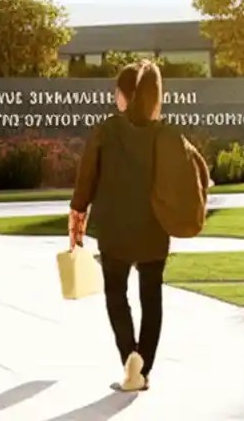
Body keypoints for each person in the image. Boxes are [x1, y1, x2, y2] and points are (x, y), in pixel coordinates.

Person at [70, 61, 168, 393]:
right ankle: (144, 367)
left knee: (116, 293)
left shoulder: (107, 129)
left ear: (125, 95)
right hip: (155, 227)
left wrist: (77, 214)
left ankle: (130, 357)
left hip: (113, 229)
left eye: (118, 91)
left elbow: (86, 178)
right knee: (151, 296)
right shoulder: (164, 133)